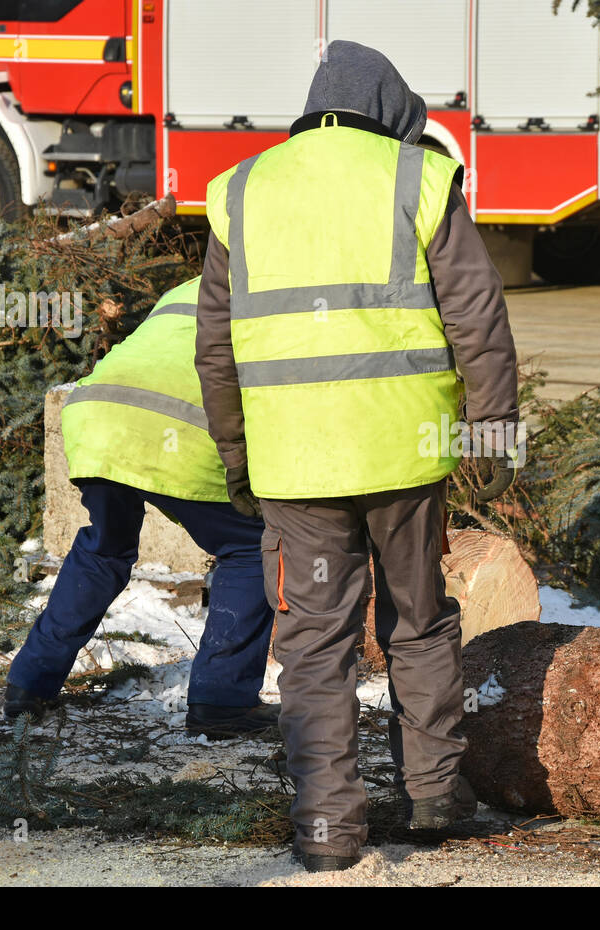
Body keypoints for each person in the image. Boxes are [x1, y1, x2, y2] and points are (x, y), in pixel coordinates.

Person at [195, 41, 519, 872]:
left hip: (294, 466)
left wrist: (239, 463)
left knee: (313, 645)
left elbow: (216, 352)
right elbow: (477, 314)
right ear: (390, 110)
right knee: (417, 622)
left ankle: (329, 831)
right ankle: (435, 799)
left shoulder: (242, 189)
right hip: (405, 453)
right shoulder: (417, 176)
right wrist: (491, 430)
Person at [5, 277, 278, 739]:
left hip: (96, 412)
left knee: (102, 552)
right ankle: (223, 702)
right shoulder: (285, 286)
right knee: (250, 546)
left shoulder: (195, 282)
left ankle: (29, 683)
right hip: (180, 423)